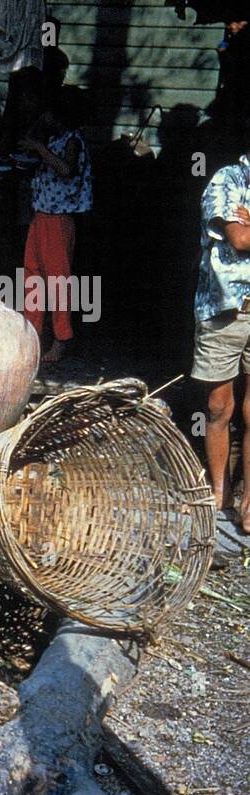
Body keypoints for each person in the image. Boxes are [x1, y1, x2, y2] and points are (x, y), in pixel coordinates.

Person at [192, 146, 250, 534]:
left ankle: (249, 501)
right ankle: (220, 493)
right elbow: (240, 239)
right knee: (218, 406)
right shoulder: (227, 179)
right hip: (224, 309)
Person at [19, 86, 93, 363]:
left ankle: (63, 338)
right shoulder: (55, 137)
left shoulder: (72, 140)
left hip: (59, 219)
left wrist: (39, 149)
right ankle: (32, 331)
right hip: (42, 215)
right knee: (33, 274)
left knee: (57, 280)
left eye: (49, 112)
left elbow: (66, 169)